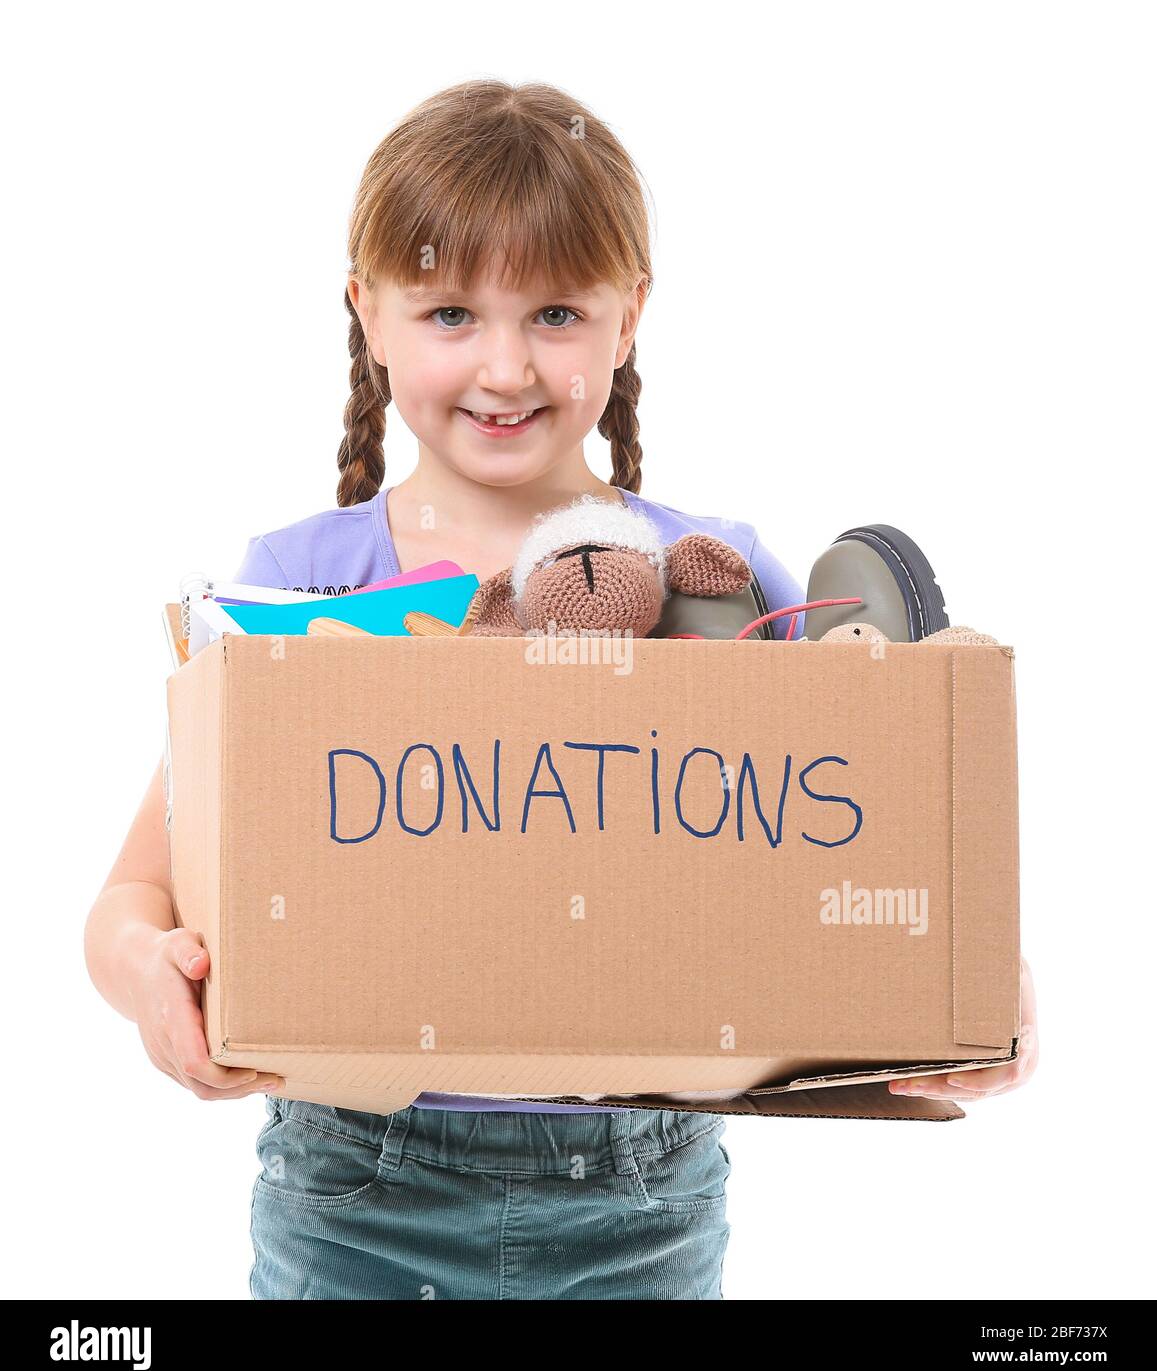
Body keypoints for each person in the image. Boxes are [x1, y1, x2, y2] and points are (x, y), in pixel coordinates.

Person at [84, 79, 1037, 1301]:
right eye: (445, 311)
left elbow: (844, 837)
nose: (503, 364)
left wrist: (970, 986)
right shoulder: (300, 586)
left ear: (627, 315)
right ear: (366, 314)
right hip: (353, 1184)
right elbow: (132, 888)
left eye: (553, 311)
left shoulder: (725, 581)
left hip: (639, 1187)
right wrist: (147, 974)